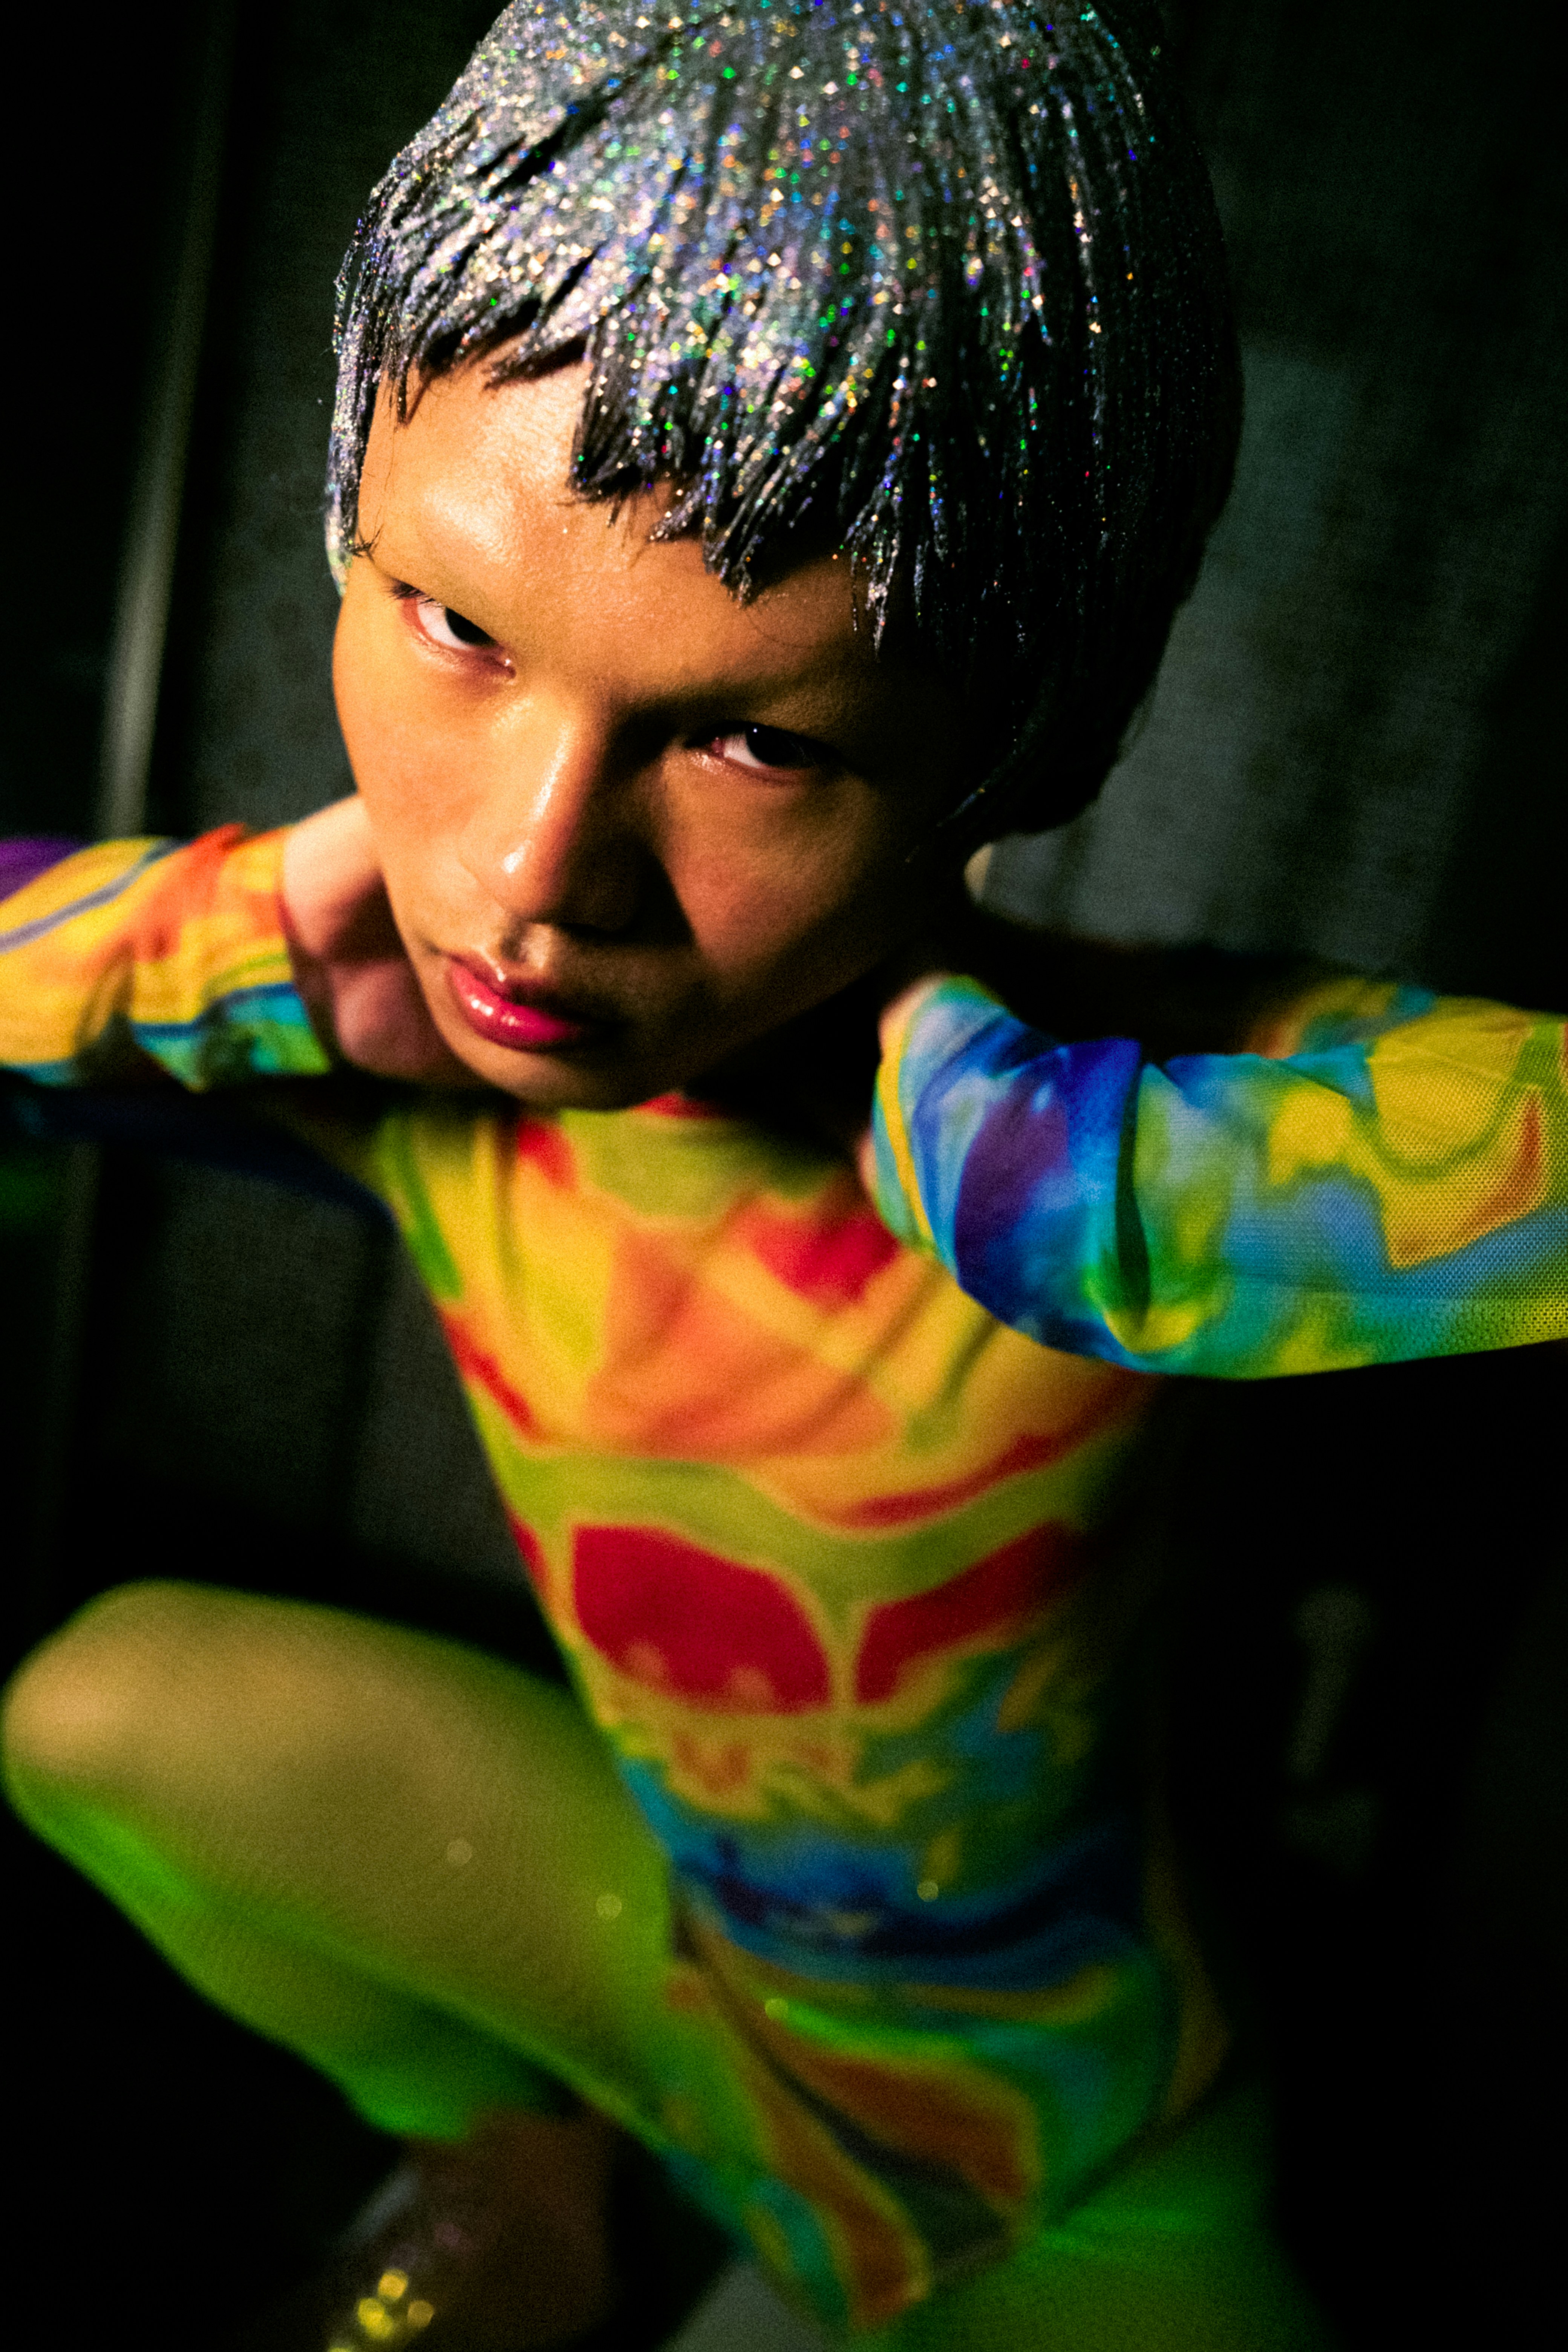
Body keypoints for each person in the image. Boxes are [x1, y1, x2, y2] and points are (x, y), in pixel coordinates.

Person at [1, 5, 1563, 2347]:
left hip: (1071, 2155)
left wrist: (1138, 1186)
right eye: (452, 624)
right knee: (101, 1715)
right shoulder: (419, 1043)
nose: (534, 873)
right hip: (671, 1986)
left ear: (1002, 748)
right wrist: (229, 930)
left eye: (754, 736)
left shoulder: (1121, 1092)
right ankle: (512, 2145)